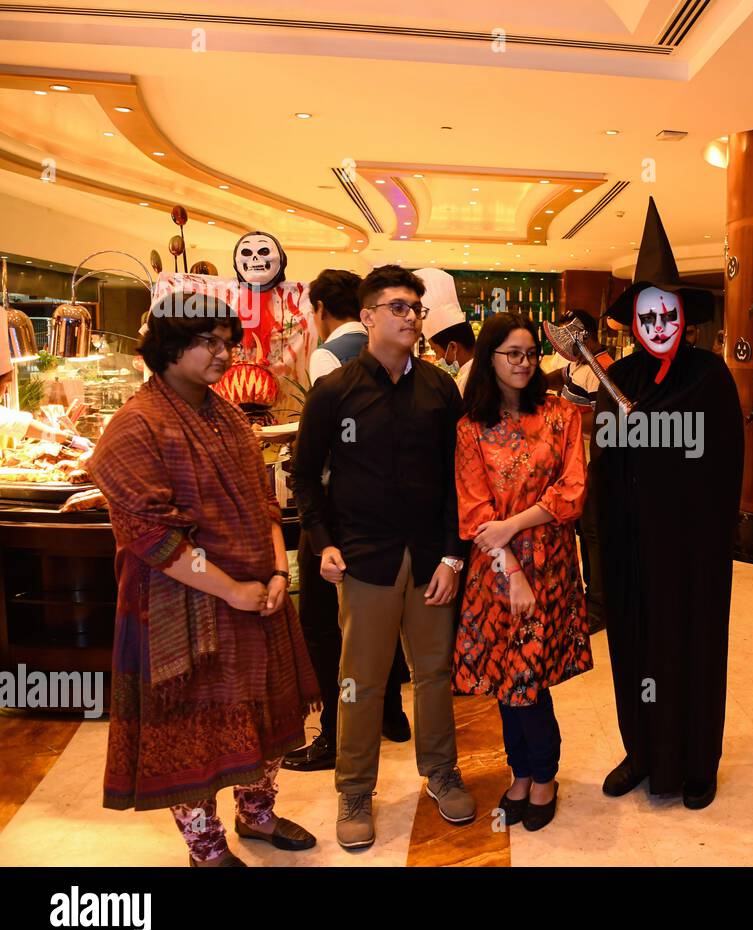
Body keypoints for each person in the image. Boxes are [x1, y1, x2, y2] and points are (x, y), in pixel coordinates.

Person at [91, 292, 320, 867]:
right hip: (180, 606)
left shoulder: (227, 417)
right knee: (191, 730)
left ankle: (256, 815)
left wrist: (274, 570)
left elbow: (264, 502)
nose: (224, 354)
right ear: (168, 348)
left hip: (256, 596)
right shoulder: (134, 426)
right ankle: (207, 848)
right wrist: (232, 589)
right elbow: (150, 536)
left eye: (227, 341)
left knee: (265, 710)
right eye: (208, 343)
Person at [293, 265, 475, 849]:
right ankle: (354, 788)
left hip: (428, 558)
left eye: (415, 309)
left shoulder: (439, 389)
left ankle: (441, 772)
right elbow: (305, 477)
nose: (410, 318)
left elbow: (458, 480)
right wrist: (323, 542)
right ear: (368, 315)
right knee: (360, 682)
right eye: (398, 307)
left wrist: (453, 556)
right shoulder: (336, 390)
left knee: (434, 673)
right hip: (364, 558)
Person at [592, 197, 744, 810]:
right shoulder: (617, 380)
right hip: (632, 547)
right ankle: (642, 750)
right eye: (647, 314)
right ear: (633, 321)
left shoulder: (709, 376)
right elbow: (607, 461)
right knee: (634, 645)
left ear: (684, 316)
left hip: (690, 548)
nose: (657, 324)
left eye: (667, 312)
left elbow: (725, 465)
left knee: (693, 645)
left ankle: (696, 760)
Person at [454, 313, 591, 831]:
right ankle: (521, 773)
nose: (524, 362)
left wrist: (513, 524)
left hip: (550, 564)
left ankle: (544, 776)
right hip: (498, 570)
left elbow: (572, 490)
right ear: (489, 359)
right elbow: (473, 508)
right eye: (512, 353)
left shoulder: (561, 415)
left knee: (530, 675)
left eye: (531, 353)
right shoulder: (471, 427)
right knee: (508, 678)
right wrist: (508, 562)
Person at [285, 269, 409, 774]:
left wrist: (320, 534)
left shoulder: (327, 360)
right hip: (390, 520)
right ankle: (393, 717)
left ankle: (334, 738)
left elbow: (321, 453)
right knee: (387, 620)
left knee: (327, 626)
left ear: (319, 311)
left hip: (343, 518)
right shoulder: (399, 358)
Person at [549, 308, 614, 633]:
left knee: (594, 534)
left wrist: (561, 414)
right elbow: (558, 377)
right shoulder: (578, 365)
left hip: (596, 465)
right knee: (584, 533)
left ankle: (600, 605)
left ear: (584, 336)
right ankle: (590, 596)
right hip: (576, 463)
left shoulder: (604, 370)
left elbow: (604, 419)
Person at [414, 267, 473, 392]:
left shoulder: (470, 380)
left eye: (436, 350)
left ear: (452, 347)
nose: (437, 358)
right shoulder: (473, 372)